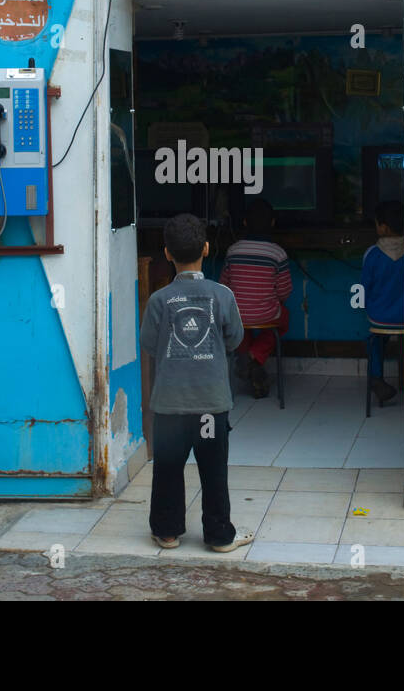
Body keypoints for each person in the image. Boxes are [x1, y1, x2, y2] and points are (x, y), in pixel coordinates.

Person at [139, 213, 255, 553]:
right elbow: (235, 339)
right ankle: (219, 535)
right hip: (211, 406)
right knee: (214, 471)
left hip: (171, 408)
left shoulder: (159, 300)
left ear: (167, 254)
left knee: (168, 469)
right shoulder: (222, 295)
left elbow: (148, 344)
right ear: (206, 248)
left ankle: (167, 532)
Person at [220, 198, 293, 398]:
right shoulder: (278, 254)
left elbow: (224, 286)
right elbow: (285, 291)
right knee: (283, 319)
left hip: (236, 316)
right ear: (272, 223)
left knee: (240, 324)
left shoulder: (233, 251)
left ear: (244, 223)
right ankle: (253, 359)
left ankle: (246, 359)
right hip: (266, 315)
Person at [361, 199, 404, 405]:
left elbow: (365, 287)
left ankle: (376, 378)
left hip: (379, 317)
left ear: (384, 227)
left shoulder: (372, 254)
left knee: (375, 338)